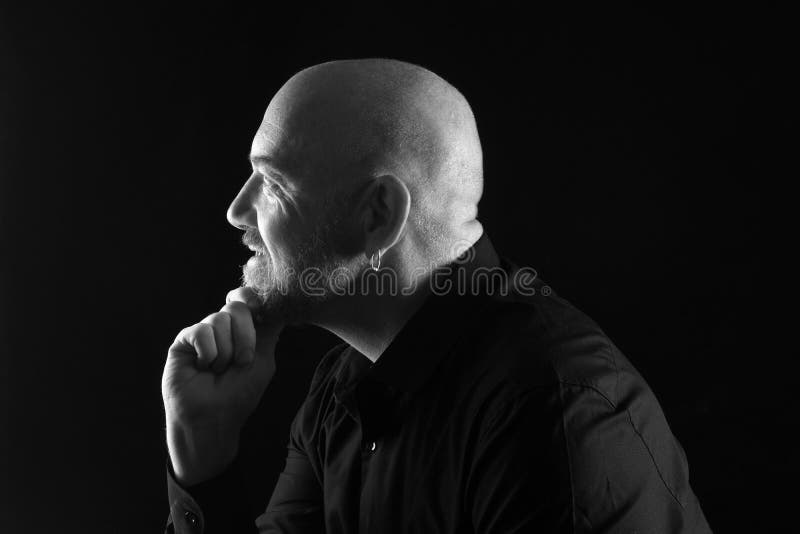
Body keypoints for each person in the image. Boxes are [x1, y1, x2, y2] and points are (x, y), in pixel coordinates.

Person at [161, 58, 711, 533]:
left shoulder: (555, 413)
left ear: (378, 216)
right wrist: (203, 455)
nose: (236, 209)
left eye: (273, 184)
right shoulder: (340, 393)